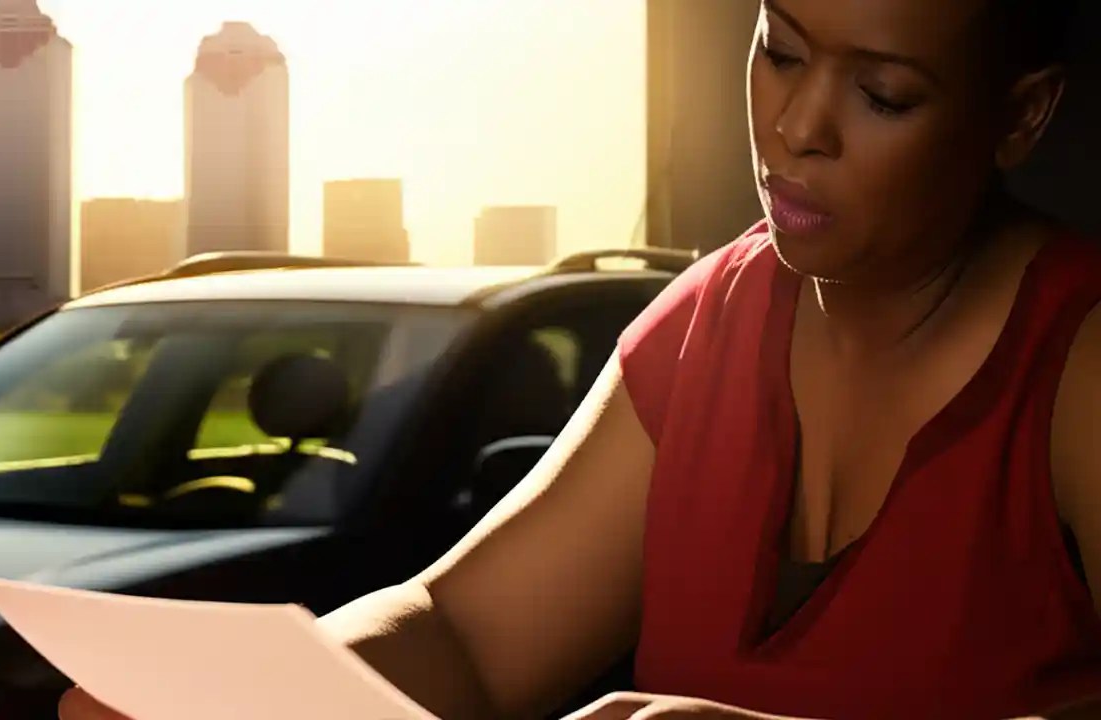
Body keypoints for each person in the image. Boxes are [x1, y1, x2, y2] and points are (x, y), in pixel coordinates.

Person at [60, 0, 1101, 717]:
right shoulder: (710, 324)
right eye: (780, 50)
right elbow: (468, 633)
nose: (794, 126)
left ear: (1020, 116)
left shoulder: (1079, 361)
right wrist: (257, 696)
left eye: (881, 95)